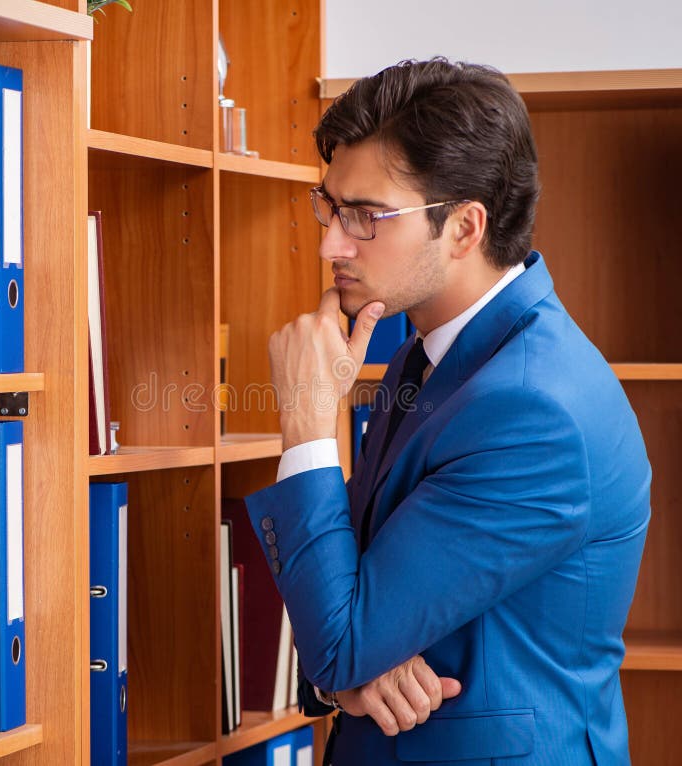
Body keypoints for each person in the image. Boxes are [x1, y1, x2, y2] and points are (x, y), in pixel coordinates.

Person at [243, 57, 651, 765]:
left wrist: (307, 422)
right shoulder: (424, 354)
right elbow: (345, 597)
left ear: (464, 228)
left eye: (365, 216)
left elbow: (338, 634)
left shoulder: (532, 409)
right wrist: (352, 672)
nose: (330, 243)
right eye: (329, 207)